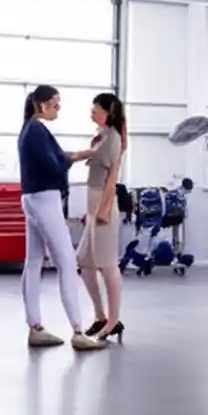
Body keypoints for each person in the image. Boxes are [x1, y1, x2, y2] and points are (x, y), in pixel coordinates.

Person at [17, 84, 105, 351]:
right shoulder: (36, 132)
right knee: (67, 262)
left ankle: (35, 327)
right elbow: (54, 164)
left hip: (31, 198)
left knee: (33, 261)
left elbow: (56, 158)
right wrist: (74, 159)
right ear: (42, 104)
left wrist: (81, 154)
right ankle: (78, 331)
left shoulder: (31, 130)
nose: (58, 108)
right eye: (55, 104)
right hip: (45, 199)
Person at [77, 93, 127, 343]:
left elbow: (111, 179)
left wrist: (103, 210)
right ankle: (100, 315)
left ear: (108, 112)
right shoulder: (100, 137)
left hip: (104, 206)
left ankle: (113, 321)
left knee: (107, 265)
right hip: (93, 205)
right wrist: (90, 212)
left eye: (96, 109)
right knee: (85, 262)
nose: (92, 113)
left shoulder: (114, 139)